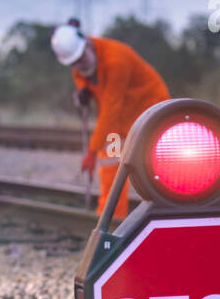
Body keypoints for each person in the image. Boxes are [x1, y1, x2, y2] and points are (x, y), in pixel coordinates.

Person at [51, 22, 170, 215]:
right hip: (122, 120)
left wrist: (90, 152)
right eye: (74, 64)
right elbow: (82, 76)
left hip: (149, 110)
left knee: (156, 168)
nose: (79, 66)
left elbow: (110, 109)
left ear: (88, 43)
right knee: (110, 160)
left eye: (81, 59)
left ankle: (169, 213)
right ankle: (111, 222)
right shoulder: (79, 63)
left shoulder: (116, 60)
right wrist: (83, 90)